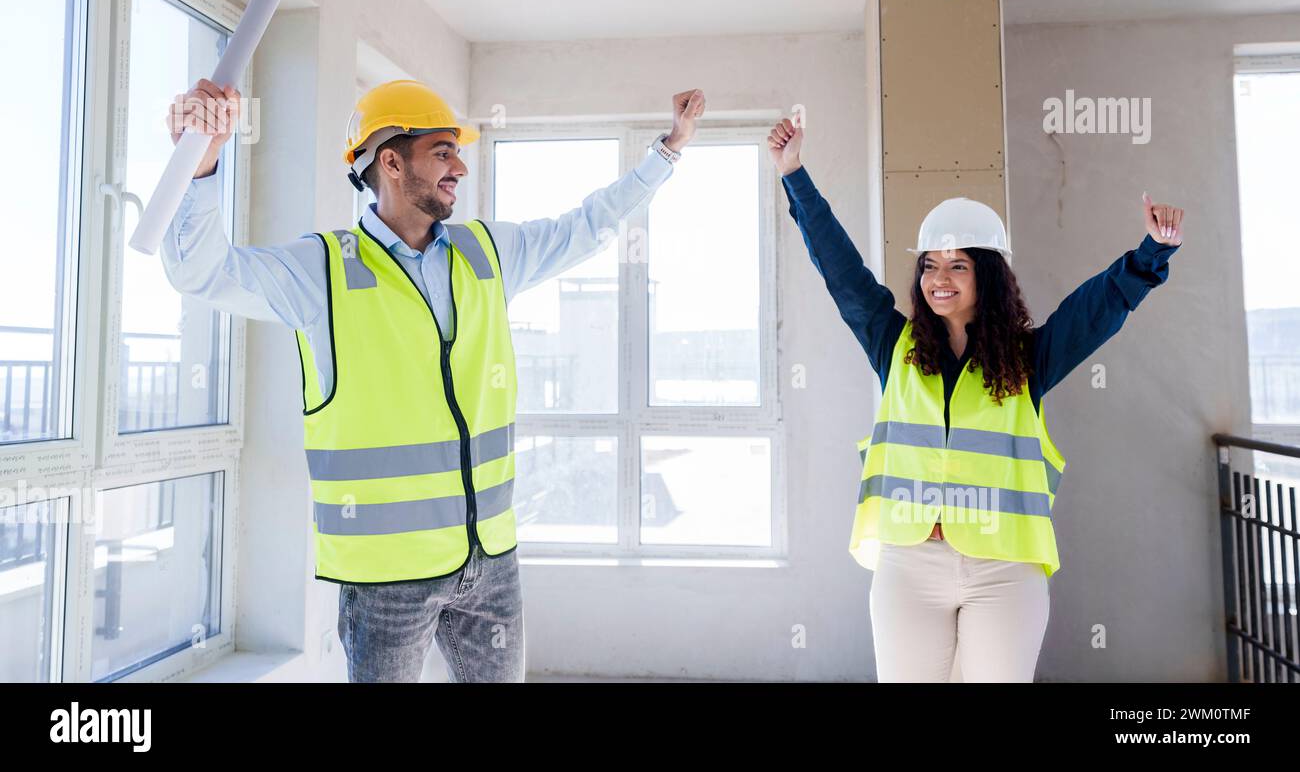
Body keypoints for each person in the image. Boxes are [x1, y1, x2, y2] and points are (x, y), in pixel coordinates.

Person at [160, 77, 706, 682]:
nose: (459, 167)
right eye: (443, 151)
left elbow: (587, 226)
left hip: (490, 558)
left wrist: (668, 151)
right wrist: (201, 162)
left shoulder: (487, 255)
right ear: (391, 162)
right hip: (387, 578)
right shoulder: (324, 269)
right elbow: (202, 272)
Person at [767, 116, 1183, 682]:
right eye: (930, 265)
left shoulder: (1027, 359)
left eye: (958, 264)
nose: (940, 278)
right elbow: (842, 273)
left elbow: (1097, 309)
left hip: (1004, 568)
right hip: (909, 565)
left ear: (986, 273)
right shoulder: (895, 346)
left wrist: (1151, 253)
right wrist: (795, 176)